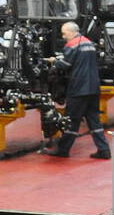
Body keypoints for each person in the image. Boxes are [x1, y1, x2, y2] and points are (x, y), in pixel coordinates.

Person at [42, 21, 110, 159]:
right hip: (93, 88)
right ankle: (104, 150)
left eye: (64, 33)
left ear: (72, 32)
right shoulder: (88, 43)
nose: (63, 36)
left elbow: (65, 65)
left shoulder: (72, 45)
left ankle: (63, 150)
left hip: (79, 88)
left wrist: (54, 62)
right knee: (94, 120)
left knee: (71, 119)